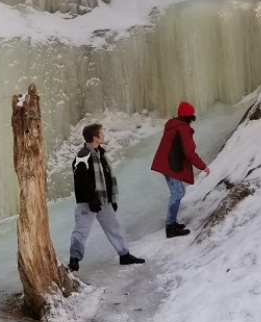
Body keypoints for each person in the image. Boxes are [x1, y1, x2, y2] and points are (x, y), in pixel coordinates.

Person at [69, 124, 144, 272]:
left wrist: (112, 199)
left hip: (104, 201)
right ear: (94, 138)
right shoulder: (83, 155)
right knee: (81, 231)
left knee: (113, 228)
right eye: (101, 134)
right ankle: (74, 259)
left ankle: (124, 255)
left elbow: (107, 178)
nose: (103, 136)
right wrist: (91, 199)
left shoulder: (100, 154)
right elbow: (80, 179)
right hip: (88, 202)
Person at [150, 102, 211, 238]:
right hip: (171, 165)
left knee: (179, 192)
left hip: (167, 163)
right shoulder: (183, 128)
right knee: (177, 193)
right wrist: (203, 166)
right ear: (190, 116)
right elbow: (189, 152)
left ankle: (173, 223)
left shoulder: (174, 125)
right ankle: (170, 227)